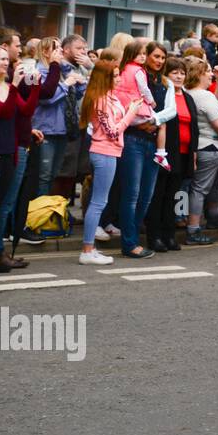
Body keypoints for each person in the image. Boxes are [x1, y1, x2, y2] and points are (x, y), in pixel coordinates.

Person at [76, 54, 145, 266]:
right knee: (98, 202)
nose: (119, 79)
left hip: (110, 152)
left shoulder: (110, 97)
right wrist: (131, 113)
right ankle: (87, 249)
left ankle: (90, 248)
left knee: (100, 201)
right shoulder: (100, 101)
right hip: (103, 151)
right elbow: (113, 131)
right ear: (105, 78)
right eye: (115, 76)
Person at [0, 42, 40, 274]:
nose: (7, 63)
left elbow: (25, 111)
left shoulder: (6, 86)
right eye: (2, 59)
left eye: (8, 59)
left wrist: (35, 86)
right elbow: (3, 111)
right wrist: (15, 85)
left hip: (9, 153)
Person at [115, 40, 165, 259]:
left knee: (146, 195)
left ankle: (133, 236)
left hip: (153, 140)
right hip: (133, 138)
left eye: (161, 57)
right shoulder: (133, 73)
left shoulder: (163, 81)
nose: (153, 59)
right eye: (147, 54)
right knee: (132, 194)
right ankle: (129, 242)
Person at [146, 57, 197, 252]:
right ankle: (155, 237)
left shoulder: (187, 97)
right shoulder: (162, 95)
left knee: (174, 197)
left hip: (184, 154)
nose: (179, 76)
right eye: (174, 72)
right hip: (165, 153)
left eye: (182, 72)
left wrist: (193, 155)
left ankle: (170, 236)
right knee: (158, 196)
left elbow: (194, 128)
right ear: (167, 74)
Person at [31, 34, 90, 202]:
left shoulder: (64, 70)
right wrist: (66, 84)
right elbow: (46, 98)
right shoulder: (38, 71)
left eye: (59, 48)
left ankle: (51, 212)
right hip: (45, 130)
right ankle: (39, 214)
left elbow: (74, 97)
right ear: (45, 51)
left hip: (63, 129)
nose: (59, 52)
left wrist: (80, 84)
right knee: (44, 175)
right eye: (55, 49)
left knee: (55, 174)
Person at [184, 59, 218, 246]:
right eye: (209, 71)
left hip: (196, 147)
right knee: (199, 188)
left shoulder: (188, 93)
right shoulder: (204, 96)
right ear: (200, 74)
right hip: (210, 146)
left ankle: (213, 215)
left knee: (217, 178)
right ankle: (193, 229)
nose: (211, 74)